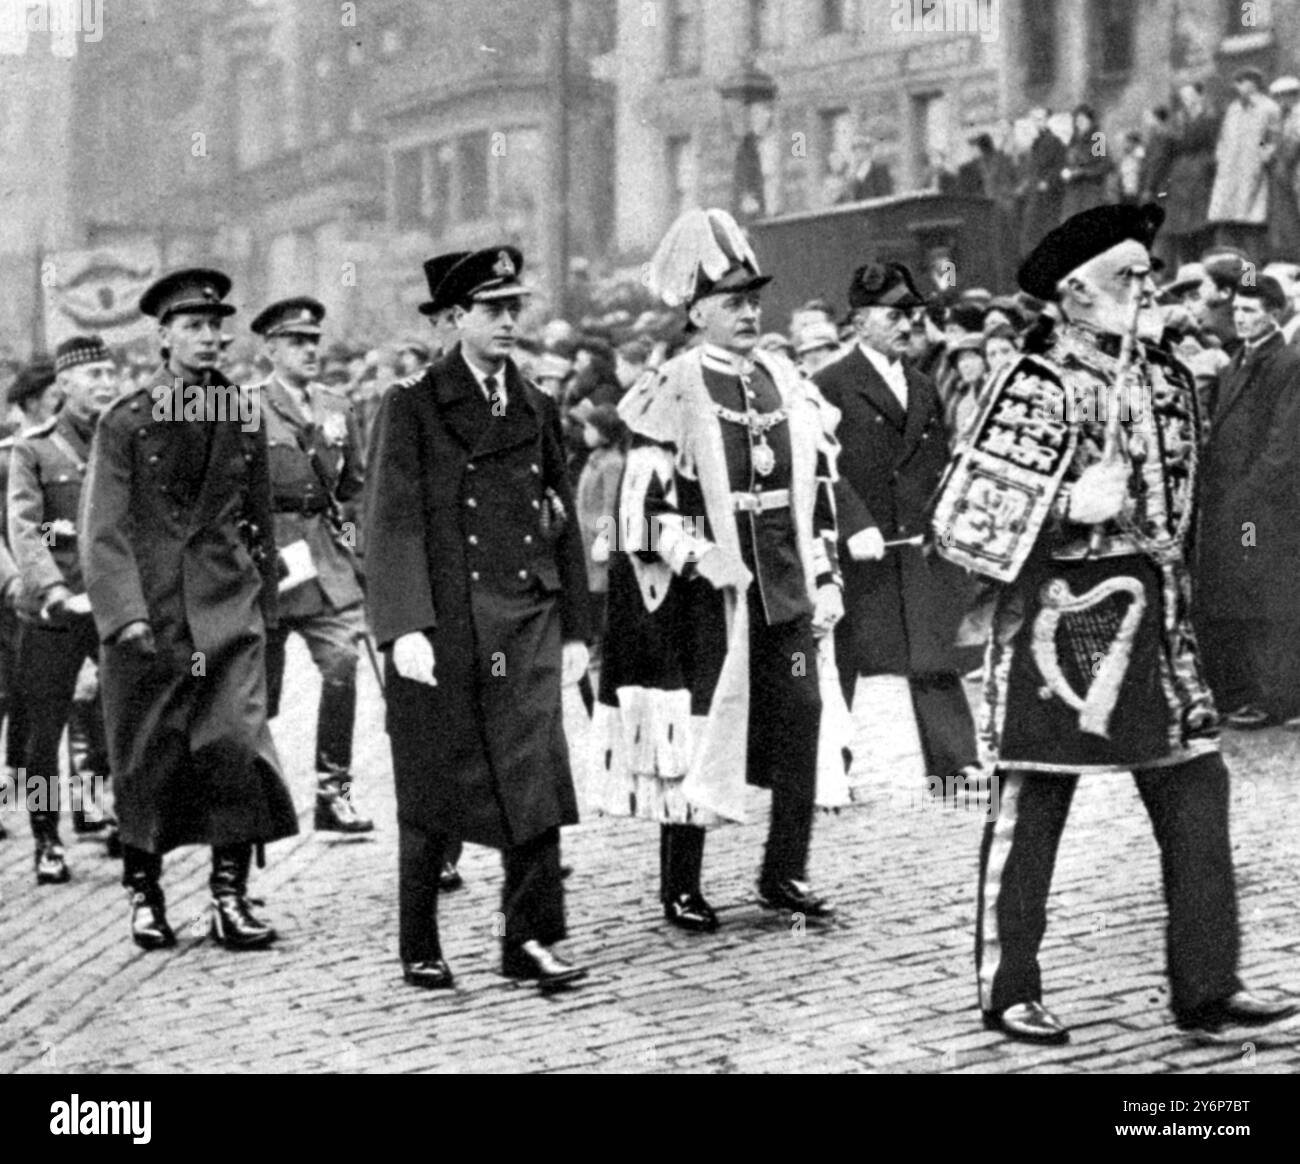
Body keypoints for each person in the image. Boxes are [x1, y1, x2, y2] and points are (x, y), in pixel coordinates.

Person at [935, 203, 1297, 1044]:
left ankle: (1207, 986)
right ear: (1074, 293)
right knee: (1035, 800)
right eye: (1126, 276)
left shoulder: (1167, 376)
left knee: (1199, 790)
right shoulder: (1038, 382)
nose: (1146, 287)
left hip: (1161, 620)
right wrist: (1068, 504)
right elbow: (965, 521)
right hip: (1066, 625)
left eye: (1146, 272)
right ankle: (1006, 986)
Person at [596, 207, 844, 933]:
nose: (749, 314)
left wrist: (823, 576)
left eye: (754, 301)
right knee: (702, 735)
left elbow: (817, 491)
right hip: (710, 603)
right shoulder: (670, 387)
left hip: (785, 593)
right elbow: (639, 511)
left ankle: (783, 872)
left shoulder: (784, 379)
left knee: (801, 719)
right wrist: (702, 553)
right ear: (697, 310)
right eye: (733, 303)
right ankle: (682, 885)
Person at [364, 246, 592, 992]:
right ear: (454, 319)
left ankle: (527, 940)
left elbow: (562, 526)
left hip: (524, 615)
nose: (507, 322)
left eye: (513, 308)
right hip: (446, 624)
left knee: (535, 779)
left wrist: (581, 630)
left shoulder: (535, 405)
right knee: (434, 786)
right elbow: (391, 524)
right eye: (492, 310)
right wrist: (403, 631)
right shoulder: (414, 403)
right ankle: (419, 940)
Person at [80, 268, 298, 951]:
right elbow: (103, 528)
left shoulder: (239, 411)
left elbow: (258, 512)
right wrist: (125, 616)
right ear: (163, 337)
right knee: (147, 755)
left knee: (234, 743)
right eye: (195, 327)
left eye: (216, 326)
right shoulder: (128, 420)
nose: (211, 338)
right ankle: (145, 896)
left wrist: (266, 599)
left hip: (229, 607)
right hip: (155, 616)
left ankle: (229, 897)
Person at [813, 262, 980, 796]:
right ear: (860, 321)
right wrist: (854, 523)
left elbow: (939, 464)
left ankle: (956, 773)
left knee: (934, 655)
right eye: (894, 314)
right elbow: (822, 470)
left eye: (914, 313)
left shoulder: (924, 386)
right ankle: (825, 771)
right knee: (840, 662)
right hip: (861, 550)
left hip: (915, 547)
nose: (909, 324)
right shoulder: (828, 385)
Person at [253, 297, 373, 835]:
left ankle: (334, 791)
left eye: (313, 341)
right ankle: (254, 791)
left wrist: (356, 544)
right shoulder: (245, 407)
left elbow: (354, 488)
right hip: (269, 563)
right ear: (271, 349)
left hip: (323, 557)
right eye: (296, 342)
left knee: (343, 664)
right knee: (260, 691)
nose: (309, 351)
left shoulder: (336, 406)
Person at [8, 336, 121, 883]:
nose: (104, 383)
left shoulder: (124, 441)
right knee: (42, 732)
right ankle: (46, 838)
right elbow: (26, 528)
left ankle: (120, 813)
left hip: (113, 605)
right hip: (52, 611)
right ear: (64, 386)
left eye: (109, 373)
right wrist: (53, 591)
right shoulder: (34, 449)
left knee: (123, 718)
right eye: (92, 375)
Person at [1194, 274, 1300, 729]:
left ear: (1274, 314)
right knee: (1235, 591)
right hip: (1231, 504)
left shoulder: (1288, 361)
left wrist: (1250, 494)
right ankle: (1241, 693)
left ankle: (1276, 697)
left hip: (1260, 509)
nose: (1242, 318)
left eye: (1252, 311)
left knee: (1263, 594)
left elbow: (1285, 441)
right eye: (1237, 311)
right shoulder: (1237, 360)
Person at [0, 360, 62, 844]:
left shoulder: (73, 447)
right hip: (13, 591)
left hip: (53, 592)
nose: (59, 397)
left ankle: (86, 807)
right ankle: (35, 820)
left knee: (69, 710)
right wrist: (13, 580)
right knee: (13, 704)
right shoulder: (9, 456)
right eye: (50, 392)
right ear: (30, 401)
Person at [1208, 67, 1280, 255]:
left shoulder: (1269, 108)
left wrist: (1262, 155)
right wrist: (1221, 157)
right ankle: (1231, 275)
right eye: (1237, 82)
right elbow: (1223, 138)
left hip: (1253, 173)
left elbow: (1272, 138)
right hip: (1230, 173)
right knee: (1228, 227)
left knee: (1251, 227)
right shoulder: (1233, 108)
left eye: (1243, 81)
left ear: (1254, 83)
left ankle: (1250, 278)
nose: (1238, 87)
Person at [1059, 104, 1113, 220]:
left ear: (1090, 121)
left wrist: (1082, 172)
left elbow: (1105, 165)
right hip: (1073, 192)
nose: (1079, 123)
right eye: (1077, 120)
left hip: (1090, 191)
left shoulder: (1096, 139)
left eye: (1082, 120)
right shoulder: (1074, 139)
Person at [1267, 76, 1300, 263]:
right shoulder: (1283, 117)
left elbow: (1294, 142)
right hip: (1288, 174)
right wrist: (1266, 147)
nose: (1280, 101)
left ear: (1292, 95)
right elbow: (1268, 138)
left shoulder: (1298, 114)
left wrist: (1281, 159)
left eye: (1282, 97)